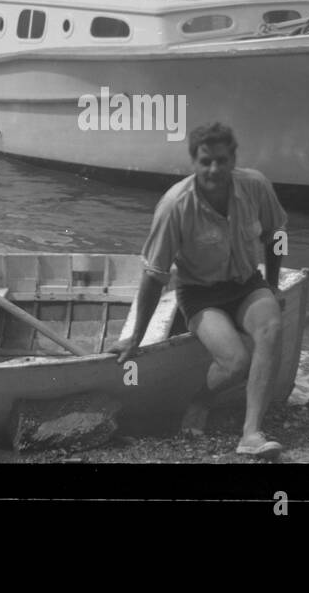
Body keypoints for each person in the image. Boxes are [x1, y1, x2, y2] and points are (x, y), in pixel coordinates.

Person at [108, 122, 289, 458]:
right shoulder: (175, 205)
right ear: (193, 162)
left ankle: (251, 433)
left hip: (247, 283)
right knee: (236, 362)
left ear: (233, 159)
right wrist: (136, 337)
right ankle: (201, 399)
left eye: (221, 160)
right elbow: (154, 276)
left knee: (272, 325)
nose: (214, 169)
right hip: (200, 295)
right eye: (205, 161)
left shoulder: (256, 186)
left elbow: (275, 236)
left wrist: (275, 287)